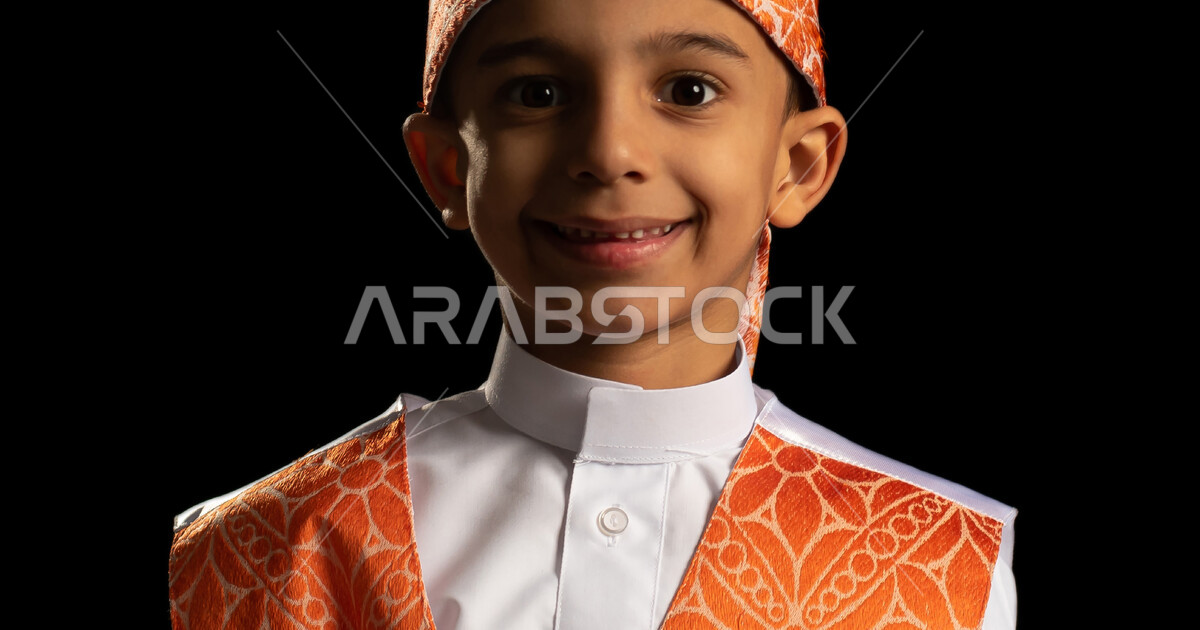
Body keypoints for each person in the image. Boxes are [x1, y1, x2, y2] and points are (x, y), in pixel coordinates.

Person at [169, 0, 1017, 628]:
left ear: (796, 164)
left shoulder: (955, 563)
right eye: (537, 92)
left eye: (688, 88)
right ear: (442, 167)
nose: (609, 151)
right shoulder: (249, 551)